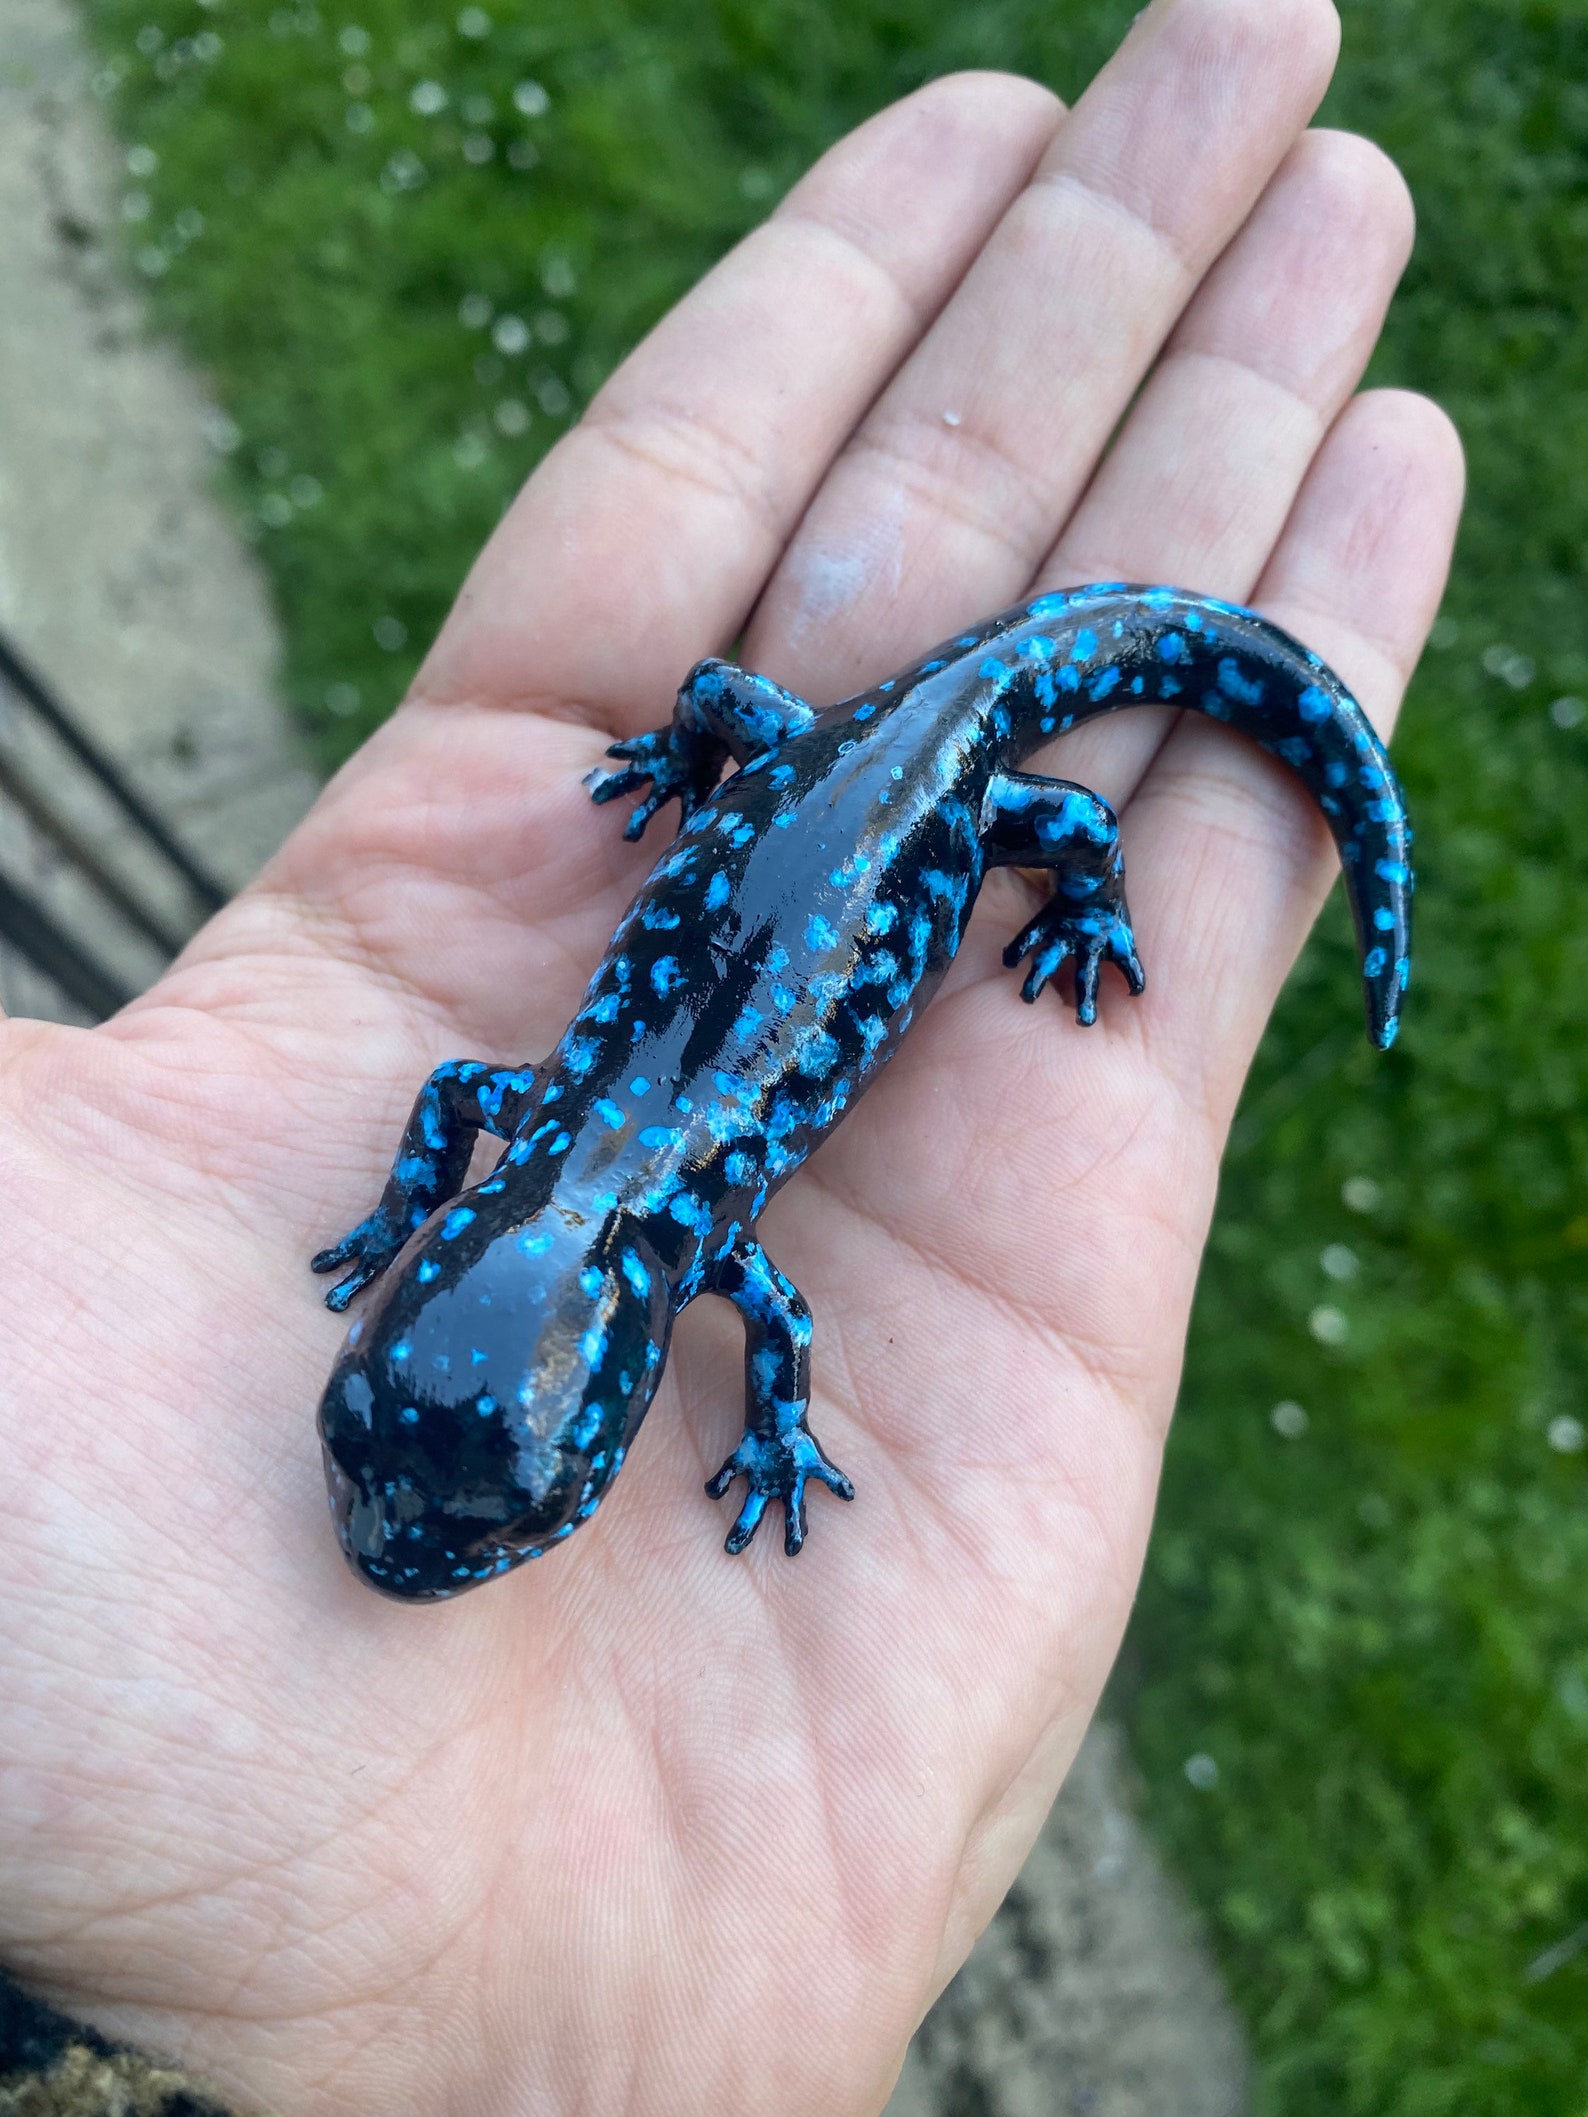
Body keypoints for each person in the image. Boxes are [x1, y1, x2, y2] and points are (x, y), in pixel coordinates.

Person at [0, 0, 1462, 2109]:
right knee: (791, 736)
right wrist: (582, 1294)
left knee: (1036, 813)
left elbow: (636, 1228)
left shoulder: (631, 1207)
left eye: (445, 1501)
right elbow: (608, 1215)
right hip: (806, 778)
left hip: (919, 771)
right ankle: (807, 762)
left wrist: (1080, 890)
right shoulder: (608, 1198)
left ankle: (1157, 821)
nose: (398, 1534)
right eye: (435, 1493)